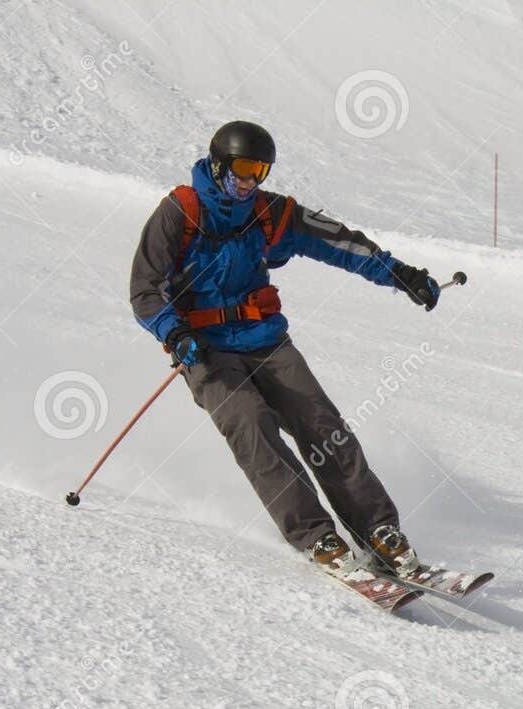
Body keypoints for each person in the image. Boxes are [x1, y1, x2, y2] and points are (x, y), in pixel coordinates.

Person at [129, 120, 442, 577]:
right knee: (251, 424)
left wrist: (399, 274)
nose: (250, 181)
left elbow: (339, 242)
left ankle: (379, 531)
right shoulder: (180, 212)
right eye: (242, 169)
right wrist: (174, 333)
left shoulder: (270, 213)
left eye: (260, 171)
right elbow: (144, 291)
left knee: (323, 425)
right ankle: (318, 536)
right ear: (218, 167)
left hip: (265, 340)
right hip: (204, 349)